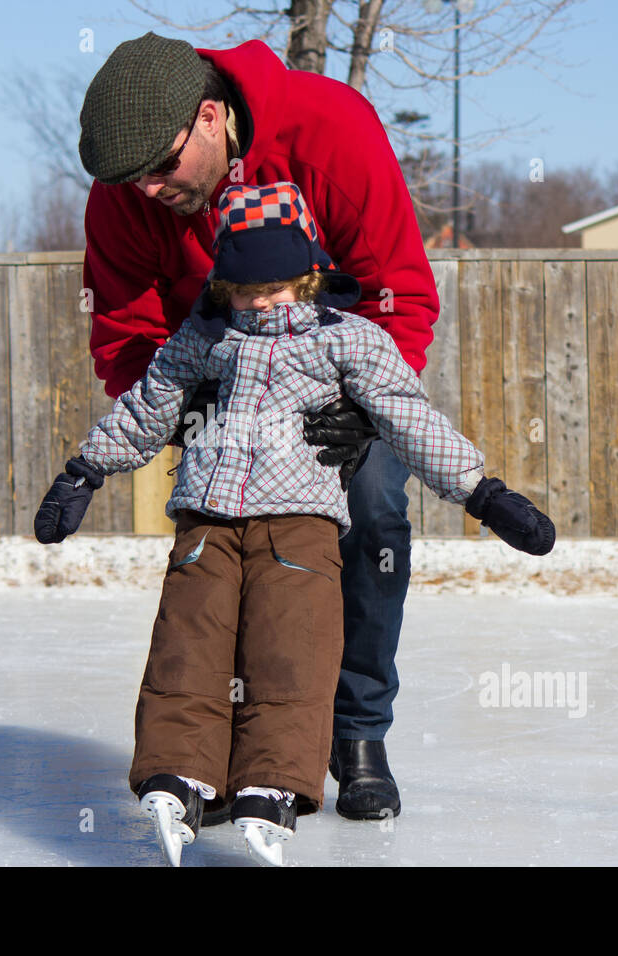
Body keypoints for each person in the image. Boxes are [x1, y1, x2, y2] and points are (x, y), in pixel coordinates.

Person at [35, 182, 554, 866]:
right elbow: (147, 407)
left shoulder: (351, 341)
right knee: (188, 645)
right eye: (244, 288)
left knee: (289, 654)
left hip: (300, 527)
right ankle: (181, 773)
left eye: (275, 286)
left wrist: (483, 492)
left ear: (310, 276)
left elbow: (411, 420)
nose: (259, 302)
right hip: (207, 521)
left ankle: (273, 785)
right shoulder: (203, 338)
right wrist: (85, 470)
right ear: (224, 282)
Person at [78, 31, 445, 820]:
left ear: (210, 117)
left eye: (161, 169)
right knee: (219, 555)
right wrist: (183, 410)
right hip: (219, 379)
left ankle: (356, 735)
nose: (146, 191)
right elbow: (123, 324)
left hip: (337, 370)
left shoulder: (330, 129)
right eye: (131, 179)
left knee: (374, 508)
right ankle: (219, 753)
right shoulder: (125, 192)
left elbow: (398, 293)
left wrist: (362, 411)